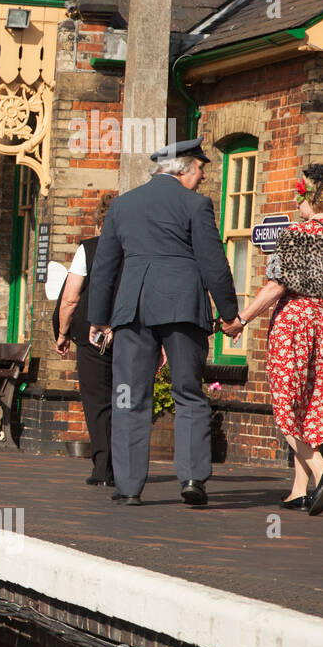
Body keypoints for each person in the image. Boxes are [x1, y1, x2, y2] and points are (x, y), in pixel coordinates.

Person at [88, 137, 242, 507]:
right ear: (183, 169)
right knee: (188, 392)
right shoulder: (195, 205)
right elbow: (213, 263)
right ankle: (191, 478)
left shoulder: (123, 205)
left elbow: (105, 266)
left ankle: (127, 486)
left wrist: (97, 318)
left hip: (133, 309)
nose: (203, 177)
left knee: (128, 395)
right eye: (201, 169)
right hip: (182, 306)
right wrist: (229, 313)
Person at [235, 163, 323, 513]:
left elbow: (276, 287)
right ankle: (299, 489)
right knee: (313, 401)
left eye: (299, 192)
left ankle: (319, 468)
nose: (294, 199)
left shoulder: (296, 234)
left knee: (287, 404)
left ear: (311, 197)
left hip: (296, 322)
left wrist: (241, 318)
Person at [55, 192, 119, 486]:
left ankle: (102, 466)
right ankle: (123, 467)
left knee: (97, 402)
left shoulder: (89, 249)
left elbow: (70, 297)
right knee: (124, 400)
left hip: (91, 337)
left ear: (98, 224)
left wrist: (63, 332)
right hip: (127, 335)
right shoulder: (136, 249)